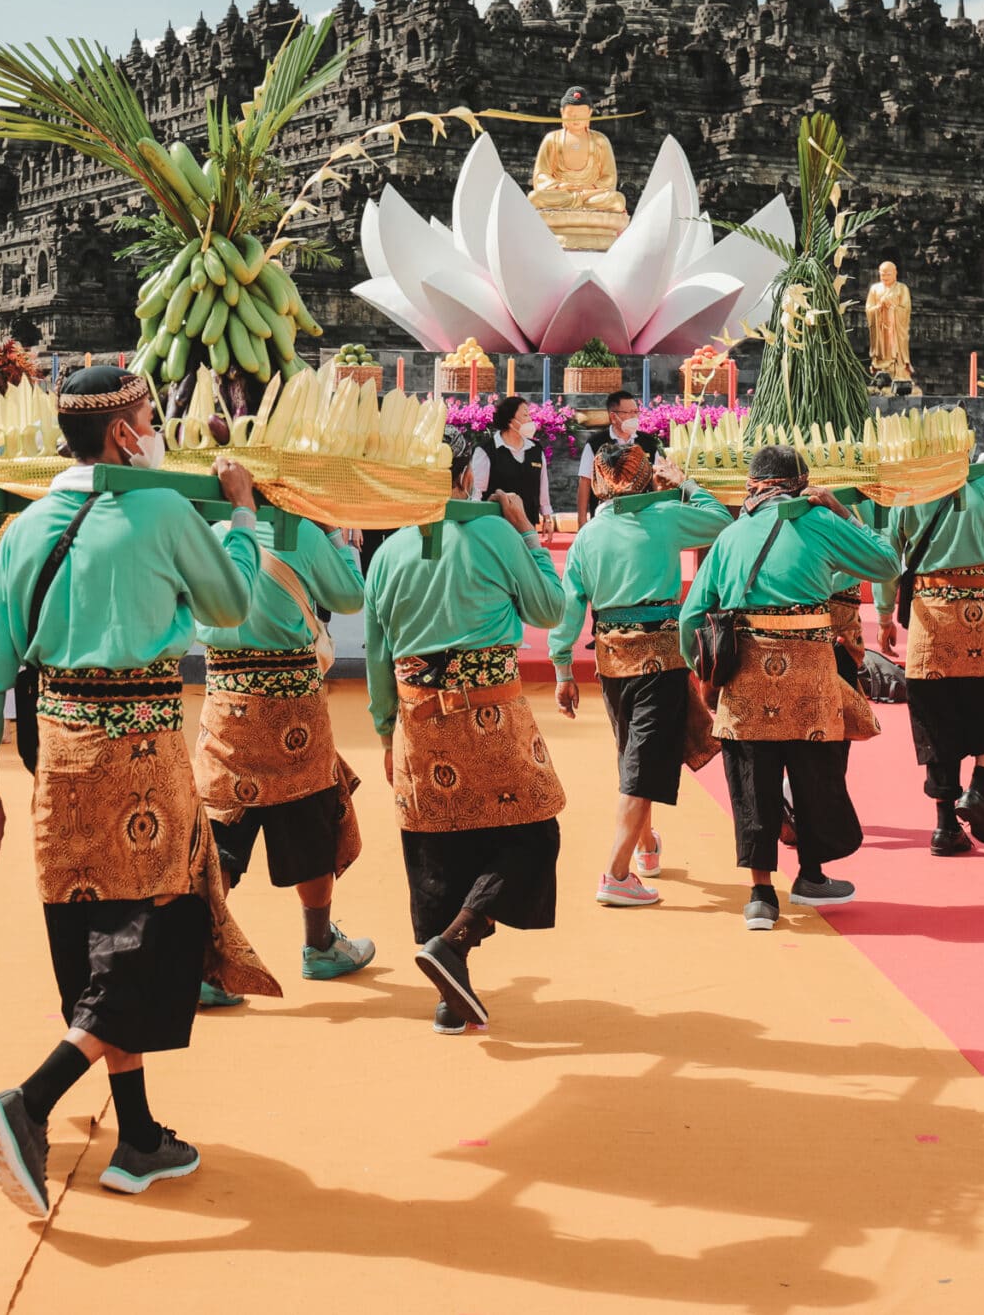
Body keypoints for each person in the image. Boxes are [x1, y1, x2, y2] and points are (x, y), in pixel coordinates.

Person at [0, 366, 278, 1218]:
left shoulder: (28, 527)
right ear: (121, 436)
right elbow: (232, 605)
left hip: (58, 751)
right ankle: (31, 1100)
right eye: (148, 416)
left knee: (97, 930)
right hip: (139, 749)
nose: (156, 427)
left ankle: (138, 1137)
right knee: (160, 935)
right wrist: (244, 518)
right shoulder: (164, 510)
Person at [364, 443, 566, 1036]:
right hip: (492, 716)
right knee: (532, 833)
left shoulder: (388, 551)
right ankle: (457, 938)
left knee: (435, 850)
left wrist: (383, 731)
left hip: (417, 718)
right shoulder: (498, 536)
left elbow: (379, 655)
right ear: (462, 479)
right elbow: (550, 609)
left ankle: (452, 995)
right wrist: (527, 532)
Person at [678, 446, 896, 926]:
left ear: (752, 486)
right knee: (815, 771)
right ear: (801, 483)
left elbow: (692, 616)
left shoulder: (731, 535)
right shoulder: (820, 522)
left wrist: (705, 673)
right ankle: (812, 876)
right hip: (811, 672)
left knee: (751, 778)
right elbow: (885, 564)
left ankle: (760, 896)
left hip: (745, 675)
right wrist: (841, 510)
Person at [192, 508, 376, 1002]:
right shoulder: (305, 534)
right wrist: (338, 533)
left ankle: (201, 963)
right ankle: (319, 946)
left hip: (227, 702)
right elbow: (350, 596)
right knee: (311, 820)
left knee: (222, 828)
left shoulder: (213, 531)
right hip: (293, 709)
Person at [553, 442, 732, 908]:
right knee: (643, 760)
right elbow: (721, 521)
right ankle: (615, 873)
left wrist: (561, 667)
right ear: (648, 478)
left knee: (634, 753)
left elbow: (570, 604)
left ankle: (646, 846)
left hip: (611, 657)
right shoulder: (665, 517)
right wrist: (685, 484)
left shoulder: (589, 535)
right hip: (660, 657)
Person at [875, 461, 984, 855]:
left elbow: (888, 559)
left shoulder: (910, 489)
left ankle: (945, 828)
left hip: (931, 615)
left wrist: (883, 615)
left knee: (936, 716)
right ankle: (977, 789)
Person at [469, 393, 555, 533]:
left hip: (527, 525)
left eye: (529, 415)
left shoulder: (535, 450)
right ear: (510, 421)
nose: (530, 420)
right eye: (525, 416)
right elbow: (476, 493)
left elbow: (543, 487)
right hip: (495, 527)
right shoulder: (486, 451)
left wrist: (547, 517)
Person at [574, 391, 664, 521]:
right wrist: (582, 521)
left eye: (636, 412)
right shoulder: (596, 443)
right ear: (613, 417)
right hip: (606, 517)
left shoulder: (648, 443)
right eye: (628, 413)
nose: (634, 417)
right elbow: (585, 482)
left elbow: (656, 481)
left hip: (641, 517)